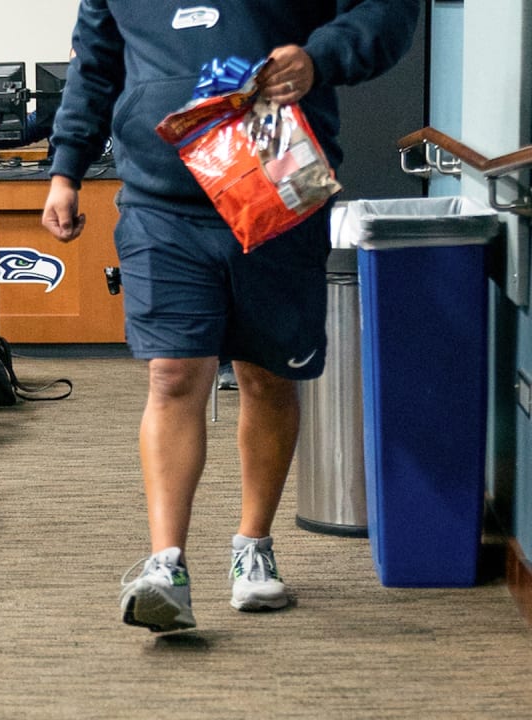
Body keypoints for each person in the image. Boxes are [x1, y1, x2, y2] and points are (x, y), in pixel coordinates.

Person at [41, 0, 419, 633]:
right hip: (162, 196)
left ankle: (253, 547)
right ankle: (167, 565)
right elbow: (95, 66)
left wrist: (317, 57)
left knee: (268, 375)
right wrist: (65, 167)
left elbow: (390, 11)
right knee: (172, 373)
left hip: (275, 171)